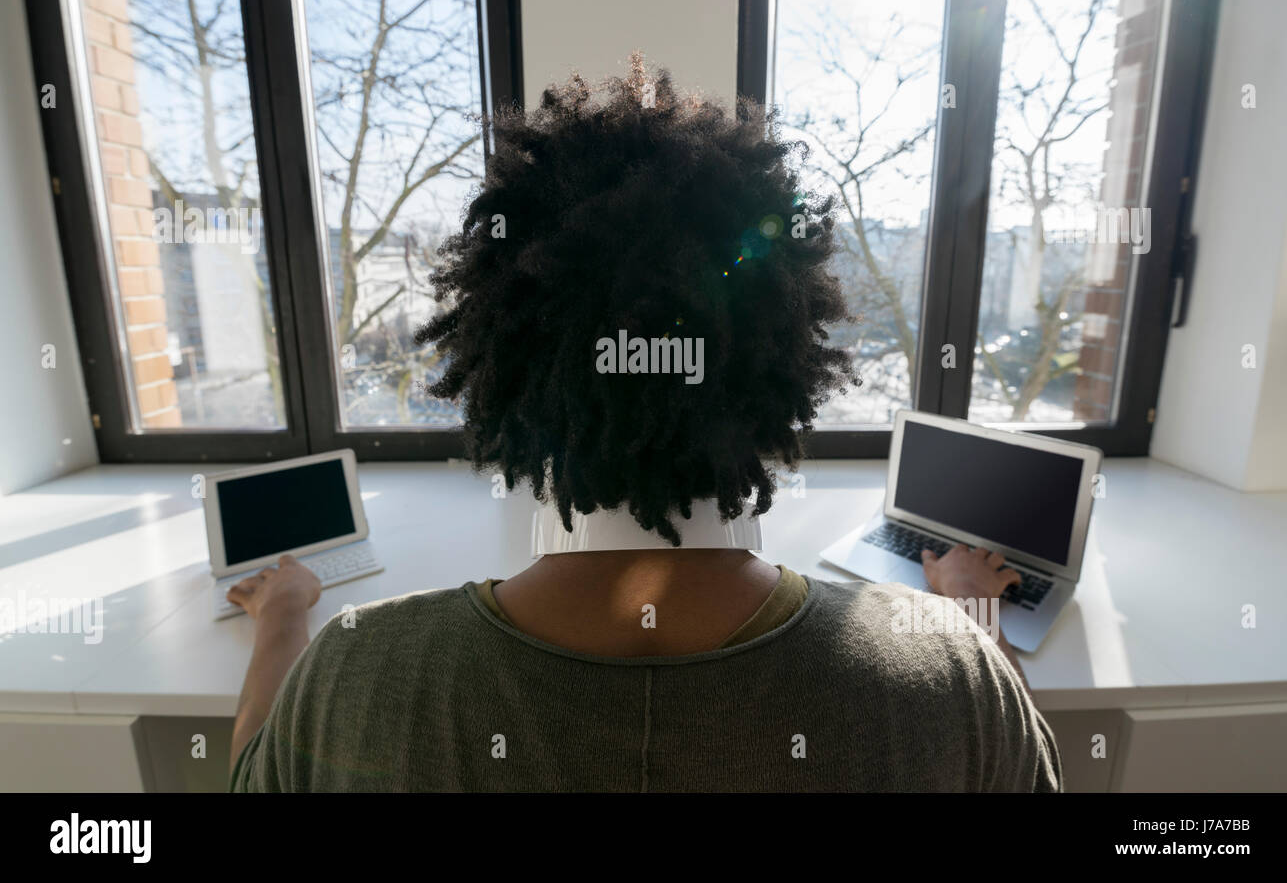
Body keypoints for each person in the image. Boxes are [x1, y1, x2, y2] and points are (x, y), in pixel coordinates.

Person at [228, 56, 1061, 792]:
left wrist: (282, 618)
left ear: (508, 386)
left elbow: (254, 773)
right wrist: (969, 618)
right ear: (782, 382)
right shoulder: (952, 680)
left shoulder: (353, 672)